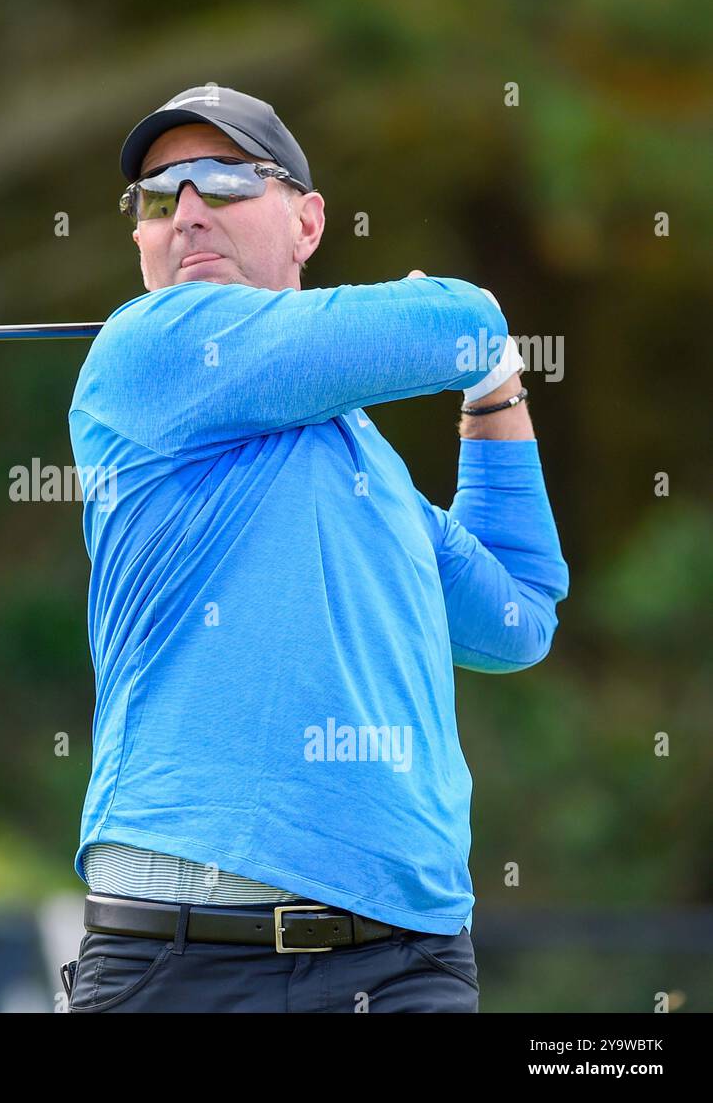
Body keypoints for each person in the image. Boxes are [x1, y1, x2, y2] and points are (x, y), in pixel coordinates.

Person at [60, 85, 569, 1012]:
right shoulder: (150, 349)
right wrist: (477, 337)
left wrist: (494, 396)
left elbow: (519, 614)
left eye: (223, 180)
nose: (187, 211)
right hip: (191, 957)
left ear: (308, 220)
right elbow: (455, 320)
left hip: (411, 962)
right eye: (157, 193)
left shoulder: (364, 459)